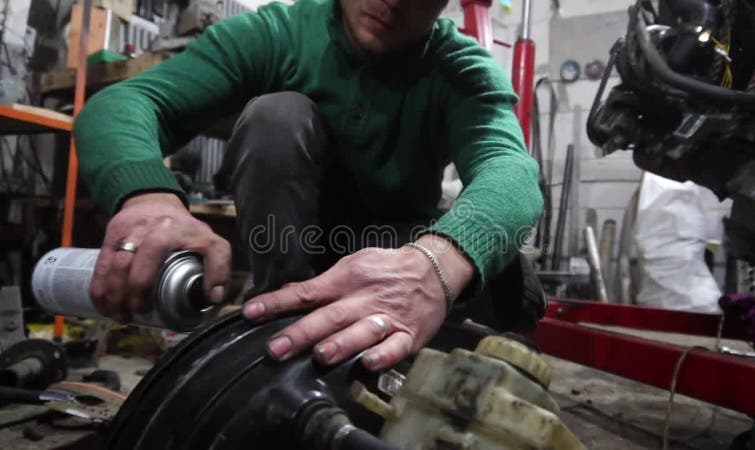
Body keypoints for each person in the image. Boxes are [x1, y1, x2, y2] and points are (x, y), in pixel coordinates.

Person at [74, 0, 543, 372]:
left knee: (512, 282)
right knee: (276, 117)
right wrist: (149, 200)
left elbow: (512, 172)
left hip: (396, 255)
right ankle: (280, 322)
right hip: (295, 251)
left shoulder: (459, 68)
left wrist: (433, 267)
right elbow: (127, 102)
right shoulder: (279, 33)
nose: (394, 2)